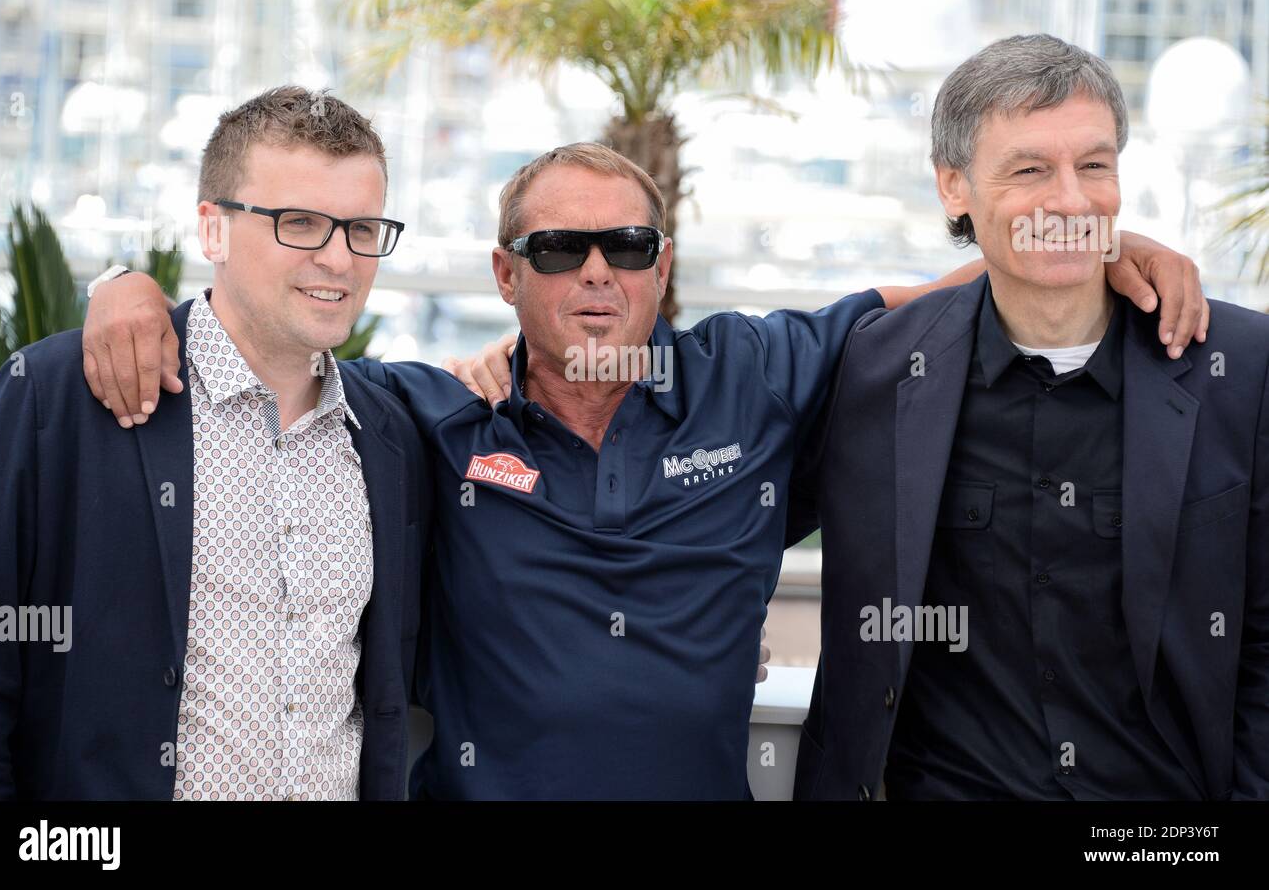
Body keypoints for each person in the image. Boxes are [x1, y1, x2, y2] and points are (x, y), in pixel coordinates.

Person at [81, 139, 1206, 798]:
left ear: (662, 264)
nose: (594, 272)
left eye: (625, 246)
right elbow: (265, 334)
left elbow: (929, 301)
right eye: (556, 249)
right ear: (504, 272)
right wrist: (127, 285)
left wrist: (1103, 251)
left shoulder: (754, 373)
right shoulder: (423, 413)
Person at [792, 34, 1269, 801]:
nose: (1071, 199)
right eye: (1029, 170)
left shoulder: (1240, 367)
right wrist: (528, 372)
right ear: (954, 187)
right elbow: (712, 496)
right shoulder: (870, 370)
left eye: (1094, 165)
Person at [0, 87, 432, 799]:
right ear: (212, 230)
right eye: (300, 223)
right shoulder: (57, 396)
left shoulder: (390, 434)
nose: (339, 260)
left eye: (361, 229)